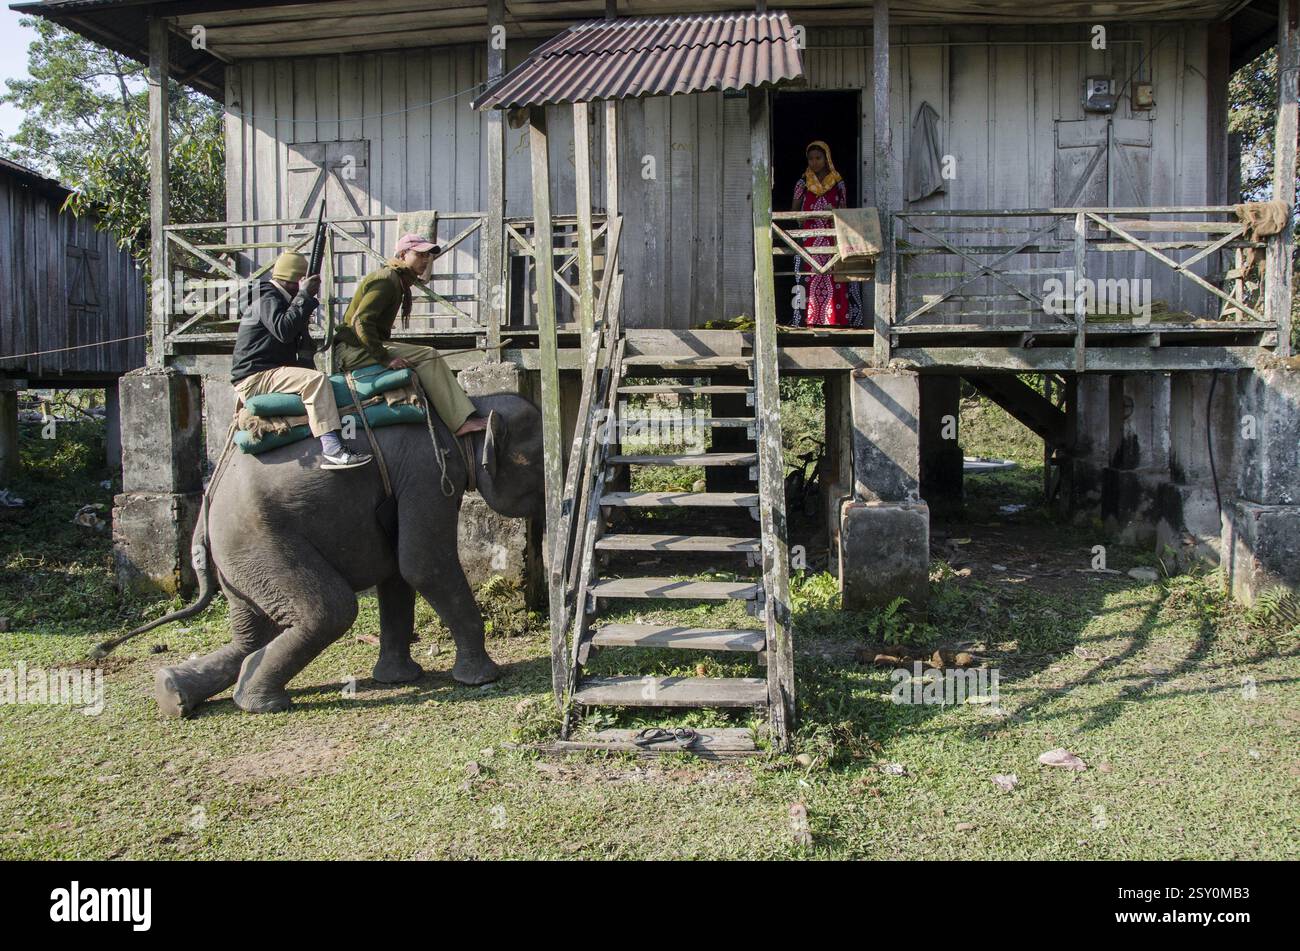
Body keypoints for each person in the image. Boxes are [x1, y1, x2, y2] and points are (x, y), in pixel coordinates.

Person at [332, 234, 487, 437]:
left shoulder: (398, 280)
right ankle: (458, 422)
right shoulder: (387, 279)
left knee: (424, 353)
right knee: (429, 355)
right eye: (420, 254)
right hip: (352, 351)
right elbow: (361, 321)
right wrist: (385, 358)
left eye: (428, 256)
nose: (425, 260)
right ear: (403, 254)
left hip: (359, 347)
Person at [230, 251, 373, 470]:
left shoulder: (281, 299)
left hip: (271, 371)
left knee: (320, 380)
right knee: (314, 381)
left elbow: (295, 343)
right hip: (256, 376)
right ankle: (333, 449)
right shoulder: (266, 297)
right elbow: (284, 331)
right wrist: (304, 296)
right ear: (297, 281)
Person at [791, 140, 863, 327]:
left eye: (818, 158)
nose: (814, 162)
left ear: (827, 158)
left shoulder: (838, 183)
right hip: (810, 237)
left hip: (832, 237)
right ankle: (809, 321)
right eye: (811, 158)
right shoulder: (803, 182)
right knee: (811, 275)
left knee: (834, 275)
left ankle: (837, 321)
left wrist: (834, 211)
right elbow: (794, 210)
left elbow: (844, 210)